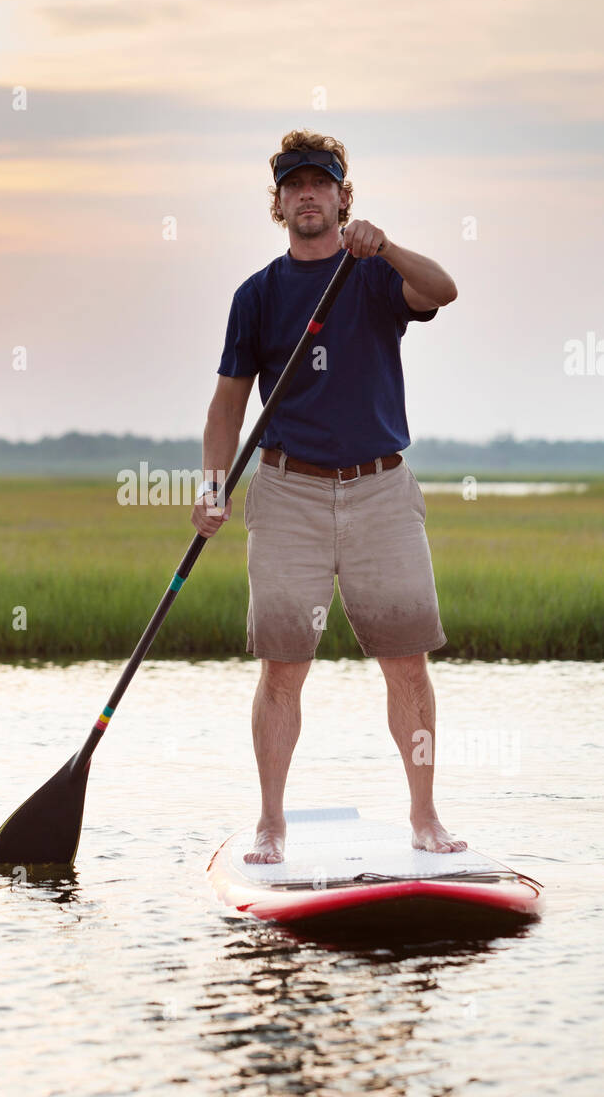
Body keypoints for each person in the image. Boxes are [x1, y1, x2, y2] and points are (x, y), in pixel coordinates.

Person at [191, 130, 466, 864]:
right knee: (283, 665)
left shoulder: (374, 276)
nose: (307, 193)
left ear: (344, 198)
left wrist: (388, 248)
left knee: (407, 660)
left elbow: (443, 290)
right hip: (287, 493)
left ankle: (424, 817)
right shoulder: (256, 295)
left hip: (380, 489)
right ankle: (272, 824)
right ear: (278, 204)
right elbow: (227, 408)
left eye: (321, 183)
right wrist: (214, 485)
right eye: (293, 184)